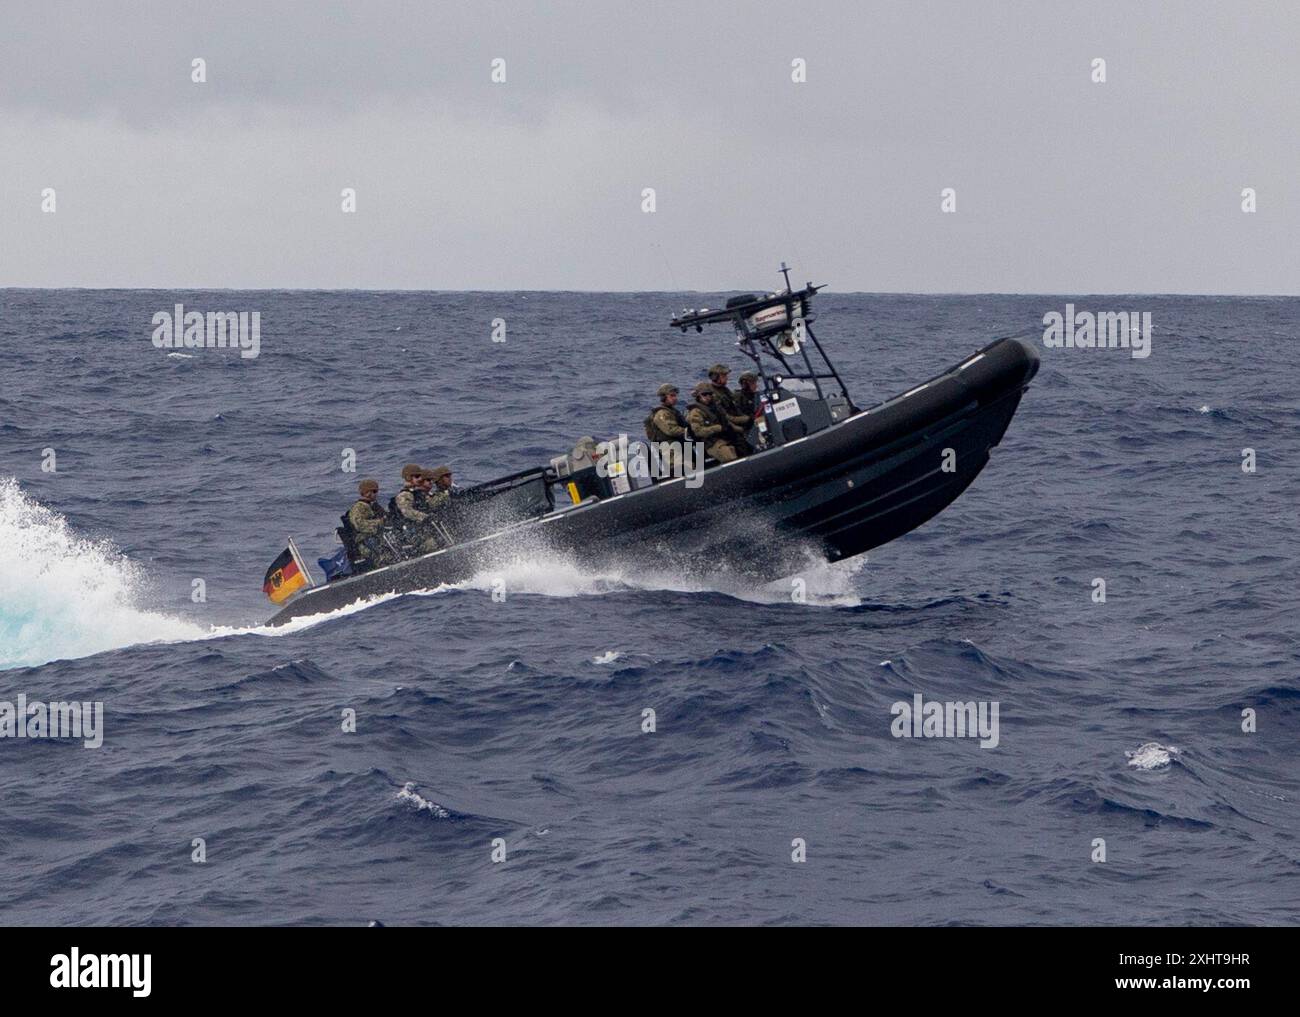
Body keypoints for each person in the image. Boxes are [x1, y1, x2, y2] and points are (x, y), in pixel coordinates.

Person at [343, 478, 394, 570]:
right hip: (364, 542)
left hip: (376, 538)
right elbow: (359, 524)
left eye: (376, 491)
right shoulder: (359, 507)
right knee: (384, 557)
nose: (376, 494)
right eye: (374, 491)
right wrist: (380, 522)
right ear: (366, 492)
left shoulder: (373, 505)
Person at [390, 463, 440, 554]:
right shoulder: (404, 495)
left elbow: (430, 503)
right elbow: (407, 512)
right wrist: (425, 516)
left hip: (423, 528)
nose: (420, 479)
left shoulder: (417, 493)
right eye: (417, 476)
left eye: (420, 476)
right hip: (412, 531)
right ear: (408, 478)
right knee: (431, 544)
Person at [706, 363, 754, 456]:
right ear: (715, 377)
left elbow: (735, 409)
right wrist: (747, 419)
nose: (727, 378)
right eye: (724, 375)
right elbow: (726, 418)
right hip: (726, 428)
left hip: (734, 424)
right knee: (743, 445)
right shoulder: (713, 395)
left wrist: (749, 417)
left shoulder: (725, 390)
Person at [686, 382, 739, 463]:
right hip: (712, 444)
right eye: (704, 394)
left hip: (724, 438)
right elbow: (698, 431)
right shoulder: (696, 412)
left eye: (709, 394)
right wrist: (717, 428)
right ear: (698, 396)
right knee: (729, 457)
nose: (708, 397)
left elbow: (726, 420)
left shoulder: (715, 408)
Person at [644, 383, 689, 477]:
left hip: (676, 445)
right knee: (681, 471)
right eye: (672, 396)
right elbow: (671, 430)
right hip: (669, 448)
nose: (675, 398)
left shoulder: (671, 411)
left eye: (675, 395)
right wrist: (687, 431)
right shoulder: (662, 413)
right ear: (664, 397)